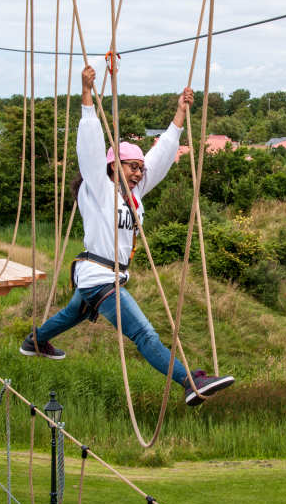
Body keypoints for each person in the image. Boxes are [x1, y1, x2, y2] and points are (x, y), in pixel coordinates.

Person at [20, 65, 235, 406]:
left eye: (139, 169)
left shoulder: (132, 196)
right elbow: (89, 149)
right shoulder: (99, 188)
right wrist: (87, 99)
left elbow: (161, 156)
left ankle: (33, 341)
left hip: (103, 277)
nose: (138, 173)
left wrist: (180, 114)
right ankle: (188, 381)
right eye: (131, 167)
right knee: (144, 333)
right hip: (101, 278)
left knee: (70, 315)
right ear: (112, 166)